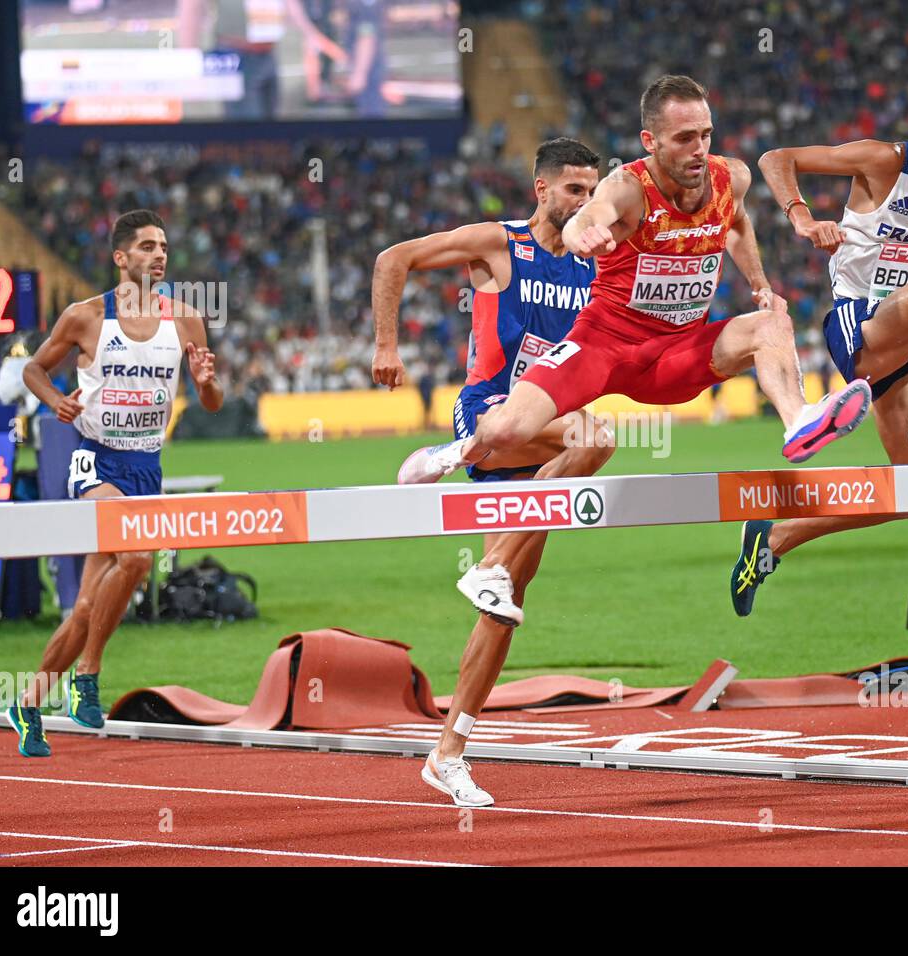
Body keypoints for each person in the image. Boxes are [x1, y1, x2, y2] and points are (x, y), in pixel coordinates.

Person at [417, 76, 873, 616]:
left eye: (705, 134)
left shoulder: (733, 178)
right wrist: (580, 234)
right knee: (505, 429)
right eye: (683, 138)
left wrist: (760, 284)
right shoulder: (627, 187)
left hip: (675, 357)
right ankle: (456, 456)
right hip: (604, 346)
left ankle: (799, 421)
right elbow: (587, 218)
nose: (699, 148)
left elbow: (738, 224)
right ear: (650, 141)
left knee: (771, 322)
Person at [372, 138, 612, 806]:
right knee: (599, 437)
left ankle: (448, 752)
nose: (585, 202)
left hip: (543, 449)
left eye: (593, 190)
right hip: (490, 413)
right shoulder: (497, 244)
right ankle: (459, 454)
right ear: (541, 189)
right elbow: (396, 257)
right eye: (573, 189)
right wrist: (387, 345)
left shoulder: (597, 265)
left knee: (503, 611)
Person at [732, 73, 908, 615]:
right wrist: (802, 219)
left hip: (906, 340)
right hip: (858, 325)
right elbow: (777, 157)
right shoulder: (885, 162)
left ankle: (772, 539)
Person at [8, 209, 224, 757]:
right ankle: (88, 675)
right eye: (148, 246)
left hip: (147, 467)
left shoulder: (186, 321)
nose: (159, 254)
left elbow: (213, 402)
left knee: (85, 609)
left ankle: (29, 702)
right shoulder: (85, 317)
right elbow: (36, 368)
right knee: (136, 557)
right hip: (96, 463)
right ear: (121, 258)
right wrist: (57, 402)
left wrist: (205, 385)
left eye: (164, 246)